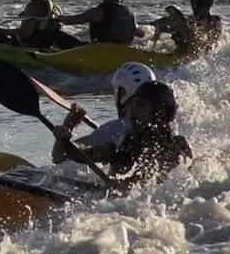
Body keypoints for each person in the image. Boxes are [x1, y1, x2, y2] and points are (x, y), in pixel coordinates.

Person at [52, 79, 193, 193]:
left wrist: (124, 185)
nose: (131, 109)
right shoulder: (129, 141)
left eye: (140, 105)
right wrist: (64, 136)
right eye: (132, 103)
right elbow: (63, 157)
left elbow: (147, 181)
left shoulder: (177, 147)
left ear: (160, 113)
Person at [51, 61, 156, 162]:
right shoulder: (162, 129)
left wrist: (68, 127)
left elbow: (60, 158)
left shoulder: (116, 128)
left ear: (122, 92)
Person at [53, 0, 145, 50]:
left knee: (56, 35)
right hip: (123, 51)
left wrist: (57, 17)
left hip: (99, 51)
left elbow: (71, 21)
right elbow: (141, 33)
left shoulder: (97, 12)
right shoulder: (130, 13)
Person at [150, 0, 222, 58]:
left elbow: (206, 47)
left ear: (197, 3)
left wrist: (180, 22)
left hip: (194, 57)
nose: (191, 4)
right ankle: (152, 51)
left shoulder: (214, 23)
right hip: (186, 53)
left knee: (178, 22)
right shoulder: (192, 19)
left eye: (193, 1)